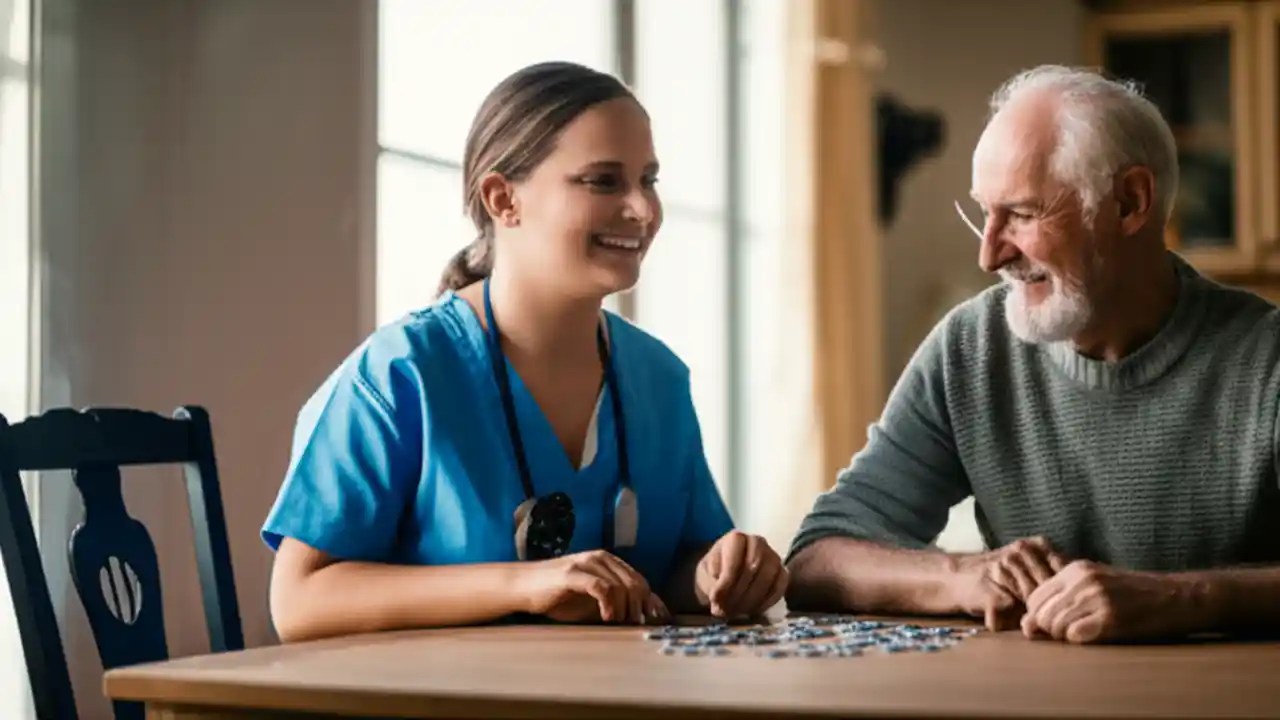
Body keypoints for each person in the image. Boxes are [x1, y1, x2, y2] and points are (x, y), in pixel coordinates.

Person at [262, 62, 786, 642]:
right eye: (603, 181)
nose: (643, 209)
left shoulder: (659, 377)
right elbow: (300, 601)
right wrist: (524, 584)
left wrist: (722, 574)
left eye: (650, 180)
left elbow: (678, 562)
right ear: (502, 198)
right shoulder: (399, 374)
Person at [785, 65, 1280, 645]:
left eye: (1021, 214)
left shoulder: (1266, 359)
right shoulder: (968, 348)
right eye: (982, 212)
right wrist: (961, 575)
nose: (989, 256)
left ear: (1129, 203)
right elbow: (817, 558)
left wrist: (1184, 597)